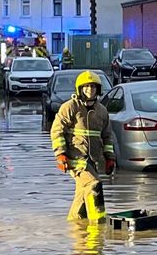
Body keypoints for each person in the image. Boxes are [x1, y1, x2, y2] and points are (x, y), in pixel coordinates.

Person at [50, 70, 116, 223]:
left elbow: (107, 136)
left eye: (93, 87)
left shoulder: (102, 111)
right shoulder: (70, 107)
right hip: (75, 159)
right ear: (80, 89)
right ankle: (98, 228)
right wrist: (60, 155)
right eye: (86, 87)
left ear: (98, 90)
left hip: (93, 161)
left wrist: (109, 158)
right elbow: (56, 131)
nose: (90, 90)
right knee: (93, 186)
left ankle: (76, 228)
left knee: (82, 195)